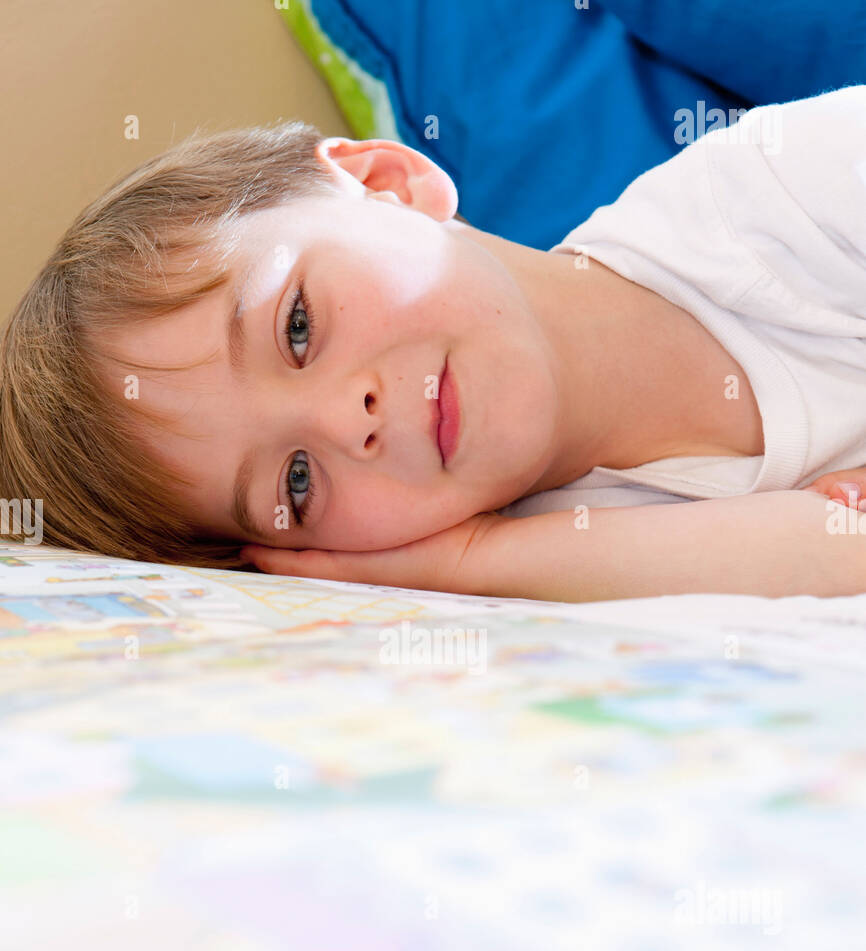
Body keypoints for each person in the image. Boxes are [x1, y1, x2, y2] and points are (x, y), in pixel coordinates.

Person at [3, 87, 866, 601]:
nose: (352, 421)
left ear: (389, 183)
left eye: (296, 327)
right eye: (296, 483)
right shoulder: (575, 560)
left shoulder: (778, 194)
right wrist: (470, 561)